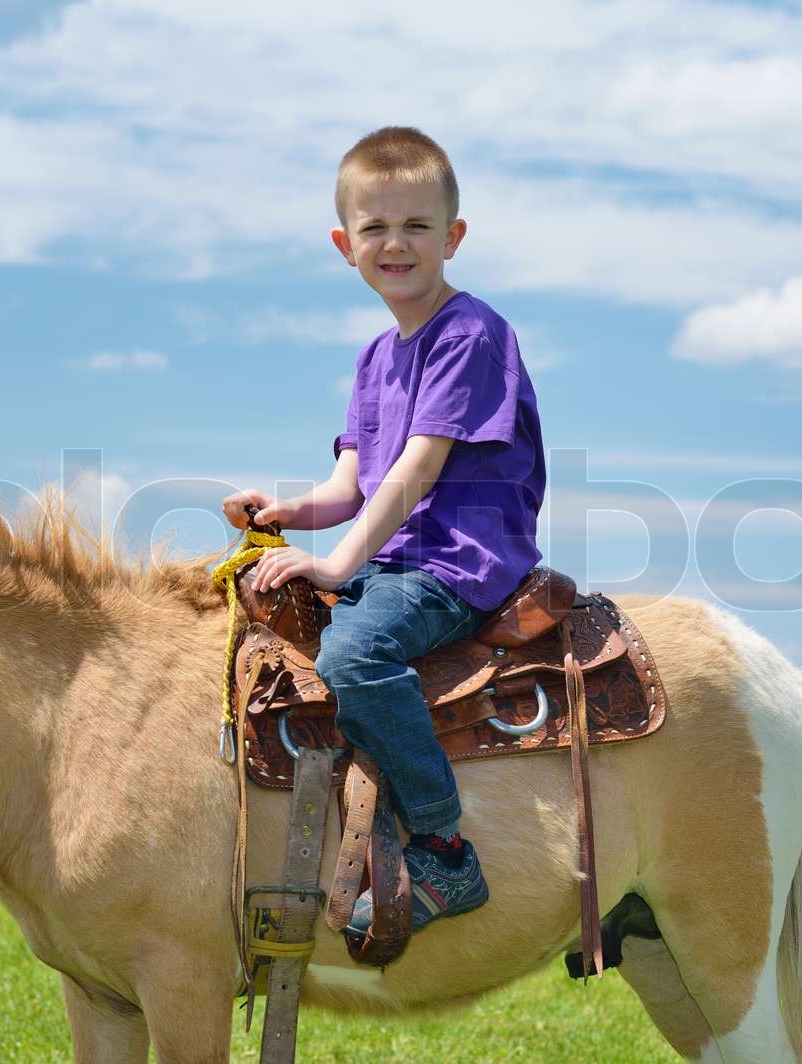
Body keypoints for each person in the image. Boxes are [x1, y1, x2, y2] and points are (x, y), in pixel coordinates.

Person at [220, 126, 546, 938]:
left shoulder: (472, 334)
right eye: (375, 228)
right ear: (345, 245)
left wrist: (333, 565)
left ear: (453, 237)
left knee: (356, 655)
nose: (394, 244)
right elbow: (353, 483)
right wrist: (289, 515)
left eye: (416, 226)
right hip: (390, 556)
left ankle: (441, 845)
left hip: (455, 563)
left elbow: (417, 471)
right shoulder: (375, 358)